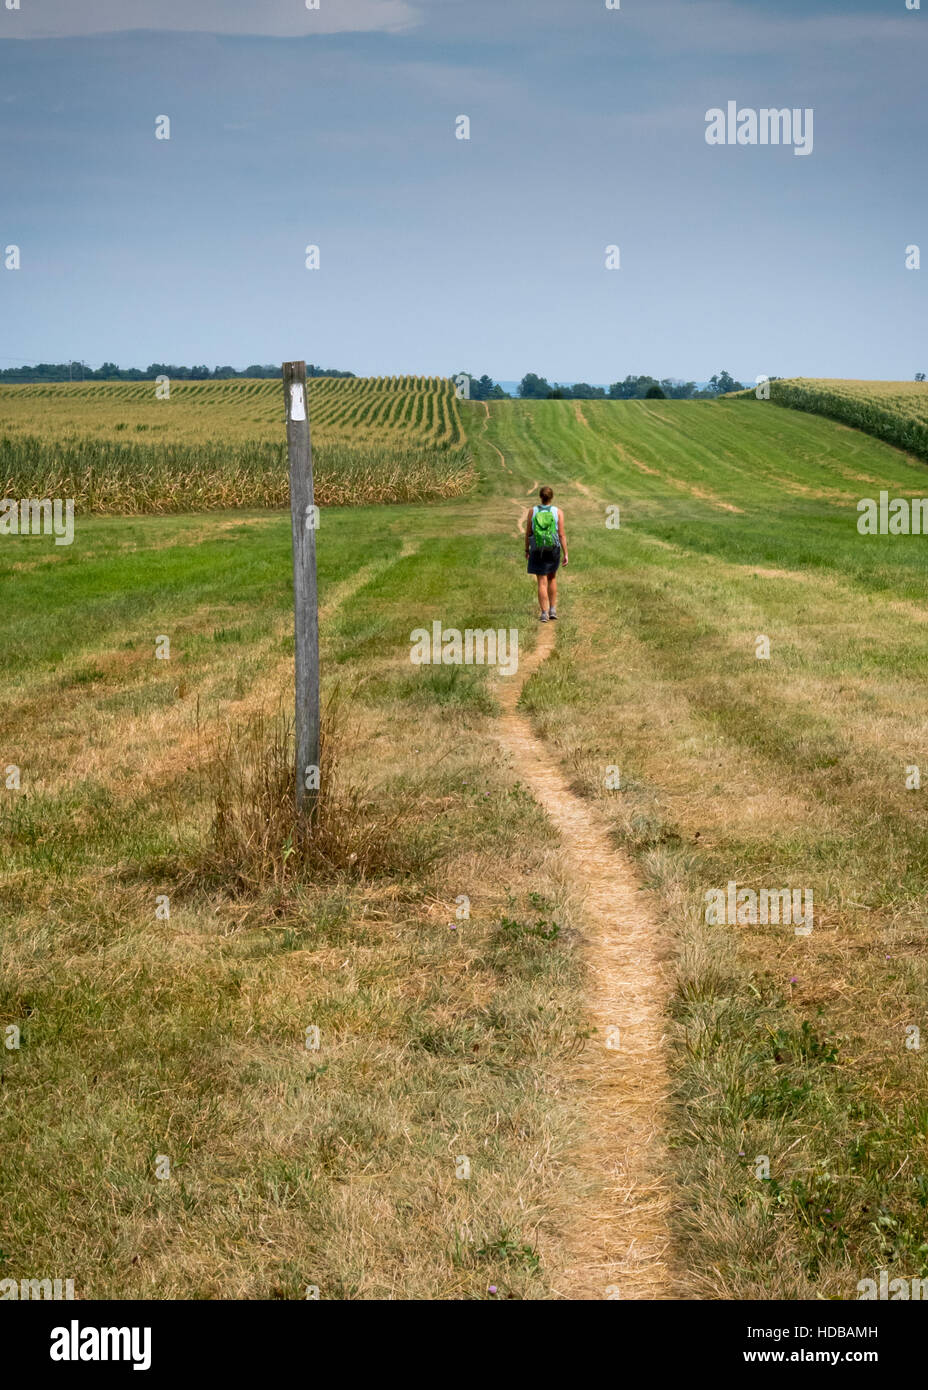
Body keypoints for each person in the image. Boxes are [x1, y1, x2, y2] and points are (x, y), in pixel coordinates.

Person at [525, 485, 568, 621]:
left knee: (541, 582)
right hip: (553, 549)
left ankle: (544, 613)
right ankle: (553, 610)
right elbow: (561, 534)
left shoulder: (533, 511)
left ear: (540, 497)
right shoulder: (558, 512)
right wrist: (565, 553)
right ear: (551, 497)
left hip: (537, 549)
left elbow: (528, 533)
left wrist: (527, 550)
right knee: (552, 578)